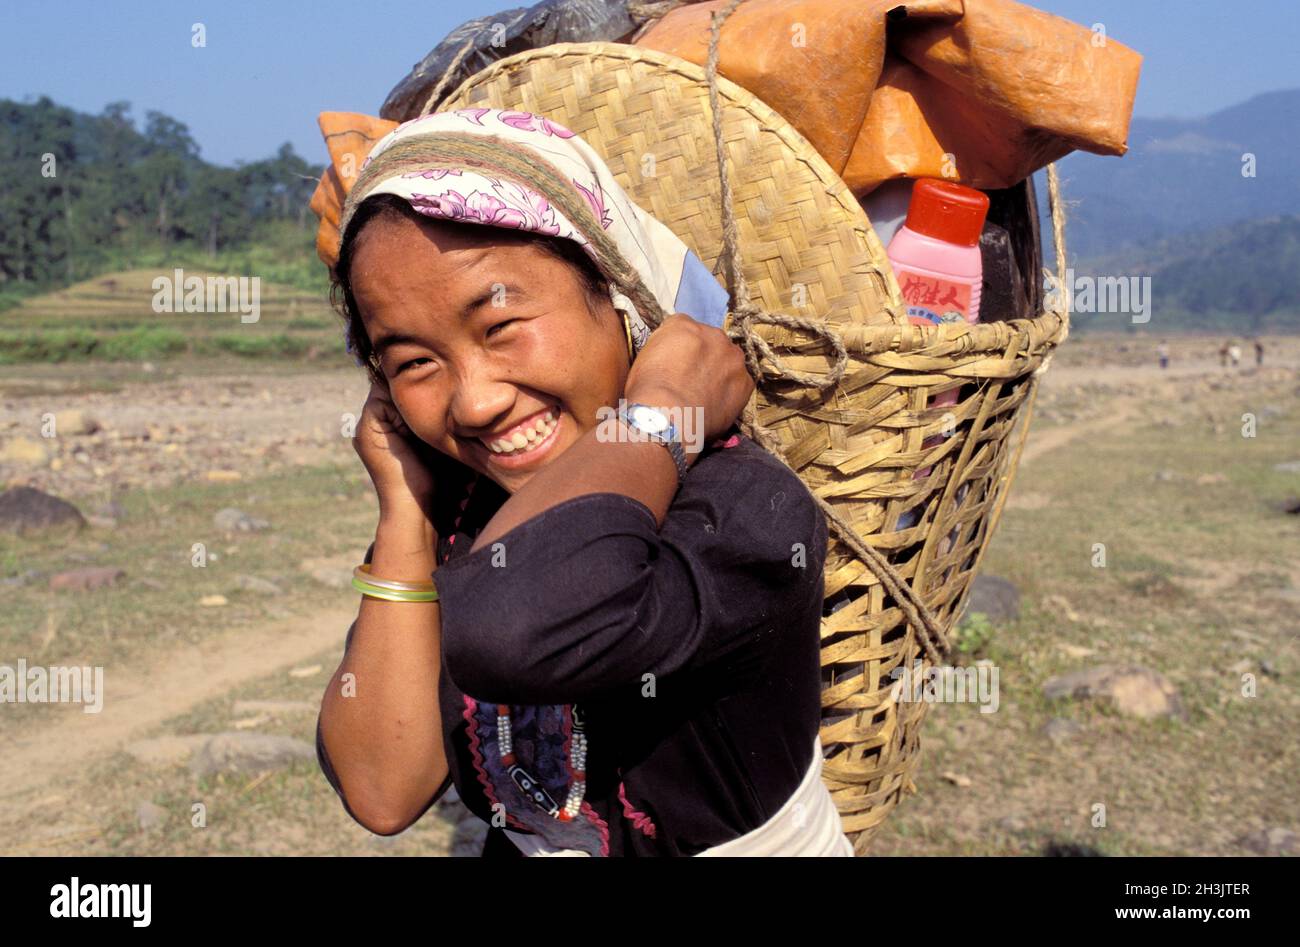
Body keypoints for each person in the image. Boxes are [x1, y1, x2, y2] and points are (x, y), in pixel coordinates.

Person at [312, 108, 851, 857]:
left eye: (501, 326)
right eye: (411, 362)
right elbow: (381, 786)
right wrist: (404, 510)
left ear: (618, 294)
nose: (474, 400)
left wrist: (661, 413)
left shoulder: (742, 508)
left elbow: (515, 623)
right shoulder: (467, 511)